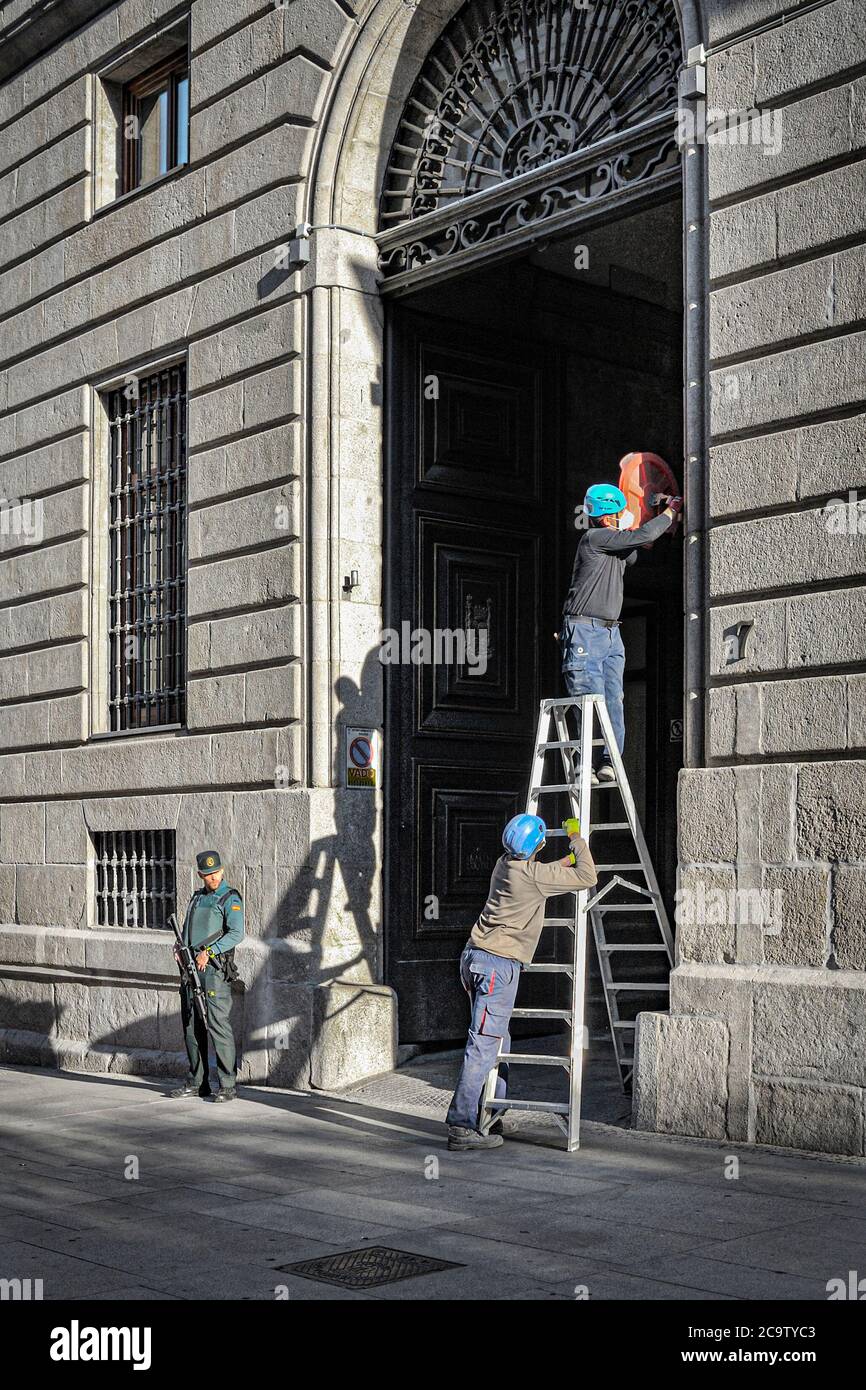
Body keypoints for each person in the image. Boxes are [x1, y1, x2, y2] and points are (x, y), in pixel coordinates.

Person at [446, 813, 597, 1151]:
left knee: (498, 1040)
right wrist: (576, 839)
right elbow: (588, 875)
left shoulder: (505, 865)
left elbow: (545, 875)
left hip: (475, 959)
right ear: (538, 845)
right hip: (498, 966)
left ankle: (493, 1113)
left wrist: (565, 861)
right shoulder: (534, 877)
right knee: (484, 1044)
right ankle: (461, 1125)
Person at [561, 482, 682, 783]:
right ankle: (584, 763)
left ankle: (609, 760)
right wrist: (672, 510)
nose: (624, 515)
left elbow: (639, 546)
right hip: (584, 631)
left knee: (614, 699)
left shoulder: (613, 545)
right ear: (606, 516)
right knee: (589, 697)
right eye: (620, 512)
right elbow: (642, 536)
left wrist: (647, 522)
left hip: (611, 634)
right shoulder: (595, 538)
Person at [170, 850, 245, 1103]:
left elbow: (236, 934)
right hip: (190, 972)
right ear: (200, 874)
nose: (213, 878)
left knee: (217, 1025)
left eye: (216, 873)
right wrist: (179, 950)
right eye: (208, 874)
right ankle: (197, 1081)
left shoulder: (230, 898)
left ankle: (227, 1084)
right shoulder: (196, 899)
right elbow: (185, 931)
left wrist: (209, 952)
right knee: (191, 1027)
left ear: (222, 871)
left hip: (213, 971)